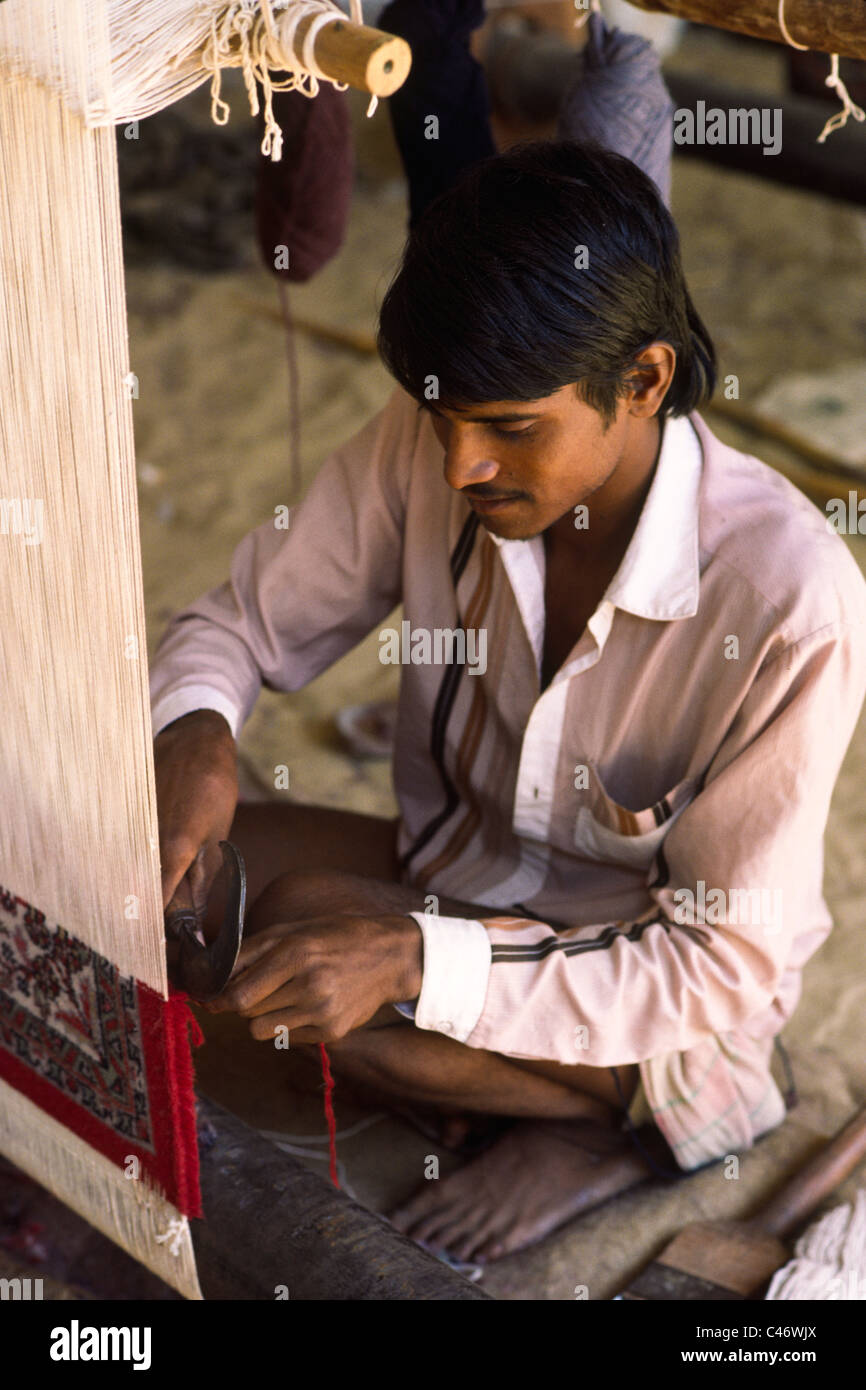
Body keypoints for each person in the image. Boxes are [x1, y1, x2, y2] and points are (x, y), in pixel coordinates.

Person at [150, 141, 866, 1264]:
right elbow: (237, 628)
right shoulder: (439, 436)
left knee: (312, 962)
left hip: (653, 994)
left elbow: (715, 963)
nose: (458, 469)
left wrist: (413, 961)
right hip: (456, 876)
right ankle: (504, 1077)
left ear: (639, 381)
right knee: (174, 876)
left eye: (509, 429)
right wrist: (193, 730)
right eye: (443, 422)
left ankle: (607, 1128)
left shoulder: (787, 600)